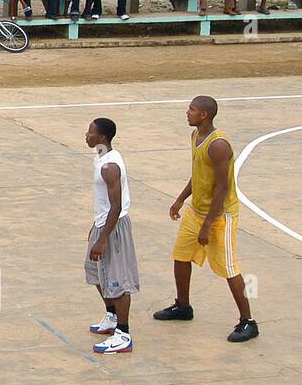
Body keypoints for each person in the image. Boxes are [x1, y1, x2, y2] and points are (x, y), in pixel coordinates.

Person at [154, 96, 259, 342]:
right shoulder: (195, 137)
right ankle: (183, 306)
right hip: (196, 210)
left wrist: (208, 224)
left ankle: (248, 322)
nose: (187, 112)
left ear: (204, 115)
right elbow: (198, 175)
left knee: (229, 269)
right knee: (180, 256)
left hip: (220, 216)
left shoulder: (218, 145)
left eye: (192, 109)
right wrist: (180, 199)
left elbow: (222, 188)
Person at [83, 118, 137, 355]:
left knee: (117, 280)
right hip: (103, 224)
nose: (86, 135)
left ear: (102, 138)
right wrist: (95, 228)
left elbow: (115, 206)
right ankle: (113, 316)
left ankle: (123, 335)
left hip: (113, 228)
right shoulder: (103, 156)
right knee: (93, 271)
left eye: (90, 132)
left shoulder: (109, 167)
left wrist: (103, 237)